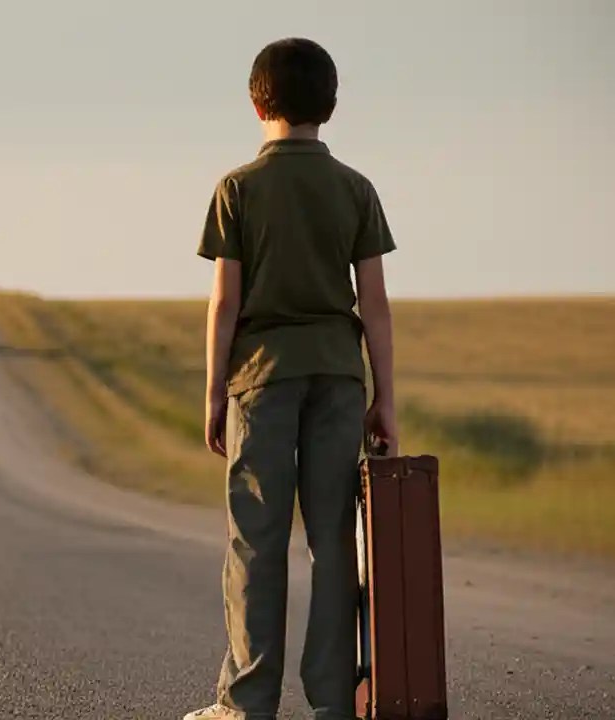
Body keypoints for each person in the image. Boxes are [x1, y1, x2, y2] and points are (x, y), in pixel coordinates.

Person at [184, 37, 398, 720]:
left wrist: (215, 388)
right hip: (338, 377)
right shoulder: (355, 189)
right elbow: (374, 301)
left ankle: (246, 702)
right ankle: (337, 703)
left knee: (257, 539)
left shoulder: (237, 190)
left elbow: (225, 303)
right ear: (330, 106)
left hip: (263, 379)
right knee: (333, 542)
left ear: (256, 104)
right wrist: (385, 396)